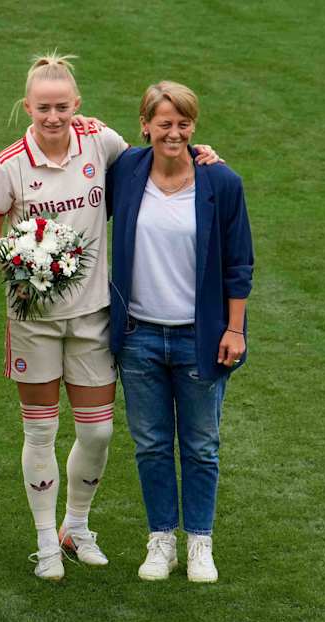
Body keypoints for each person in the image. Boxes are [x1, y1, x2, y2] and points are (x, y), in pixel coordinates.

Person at [0, 54, 220, 581]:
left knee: (97, 435)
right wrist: (24, 260)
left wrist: (200, 154)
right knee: (41, 433)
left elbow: (155, 157)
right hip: (34, 319)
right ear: (28, 106)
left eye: (62, 107)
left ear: (77, 106)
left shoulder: (101, 141)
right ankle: (45, 542)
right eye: (43, 107)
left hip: (94, 317)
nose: (53, 117)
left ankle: (76, 527)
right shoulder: (7, 166)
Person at [106, 80, 253, 584]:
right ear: (144, 125)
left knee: (200, 446)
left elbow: (239, 265)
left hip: (200, 336)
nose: (174, 132)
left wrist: (235, 330)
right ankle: (161, 539)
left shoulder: (221, 182)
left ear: (195, 126)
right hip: (139, 335)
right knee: (149, 444)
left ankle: (200, 543)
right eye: (164, 123)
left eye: (184, 123)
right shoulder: (126, 170)